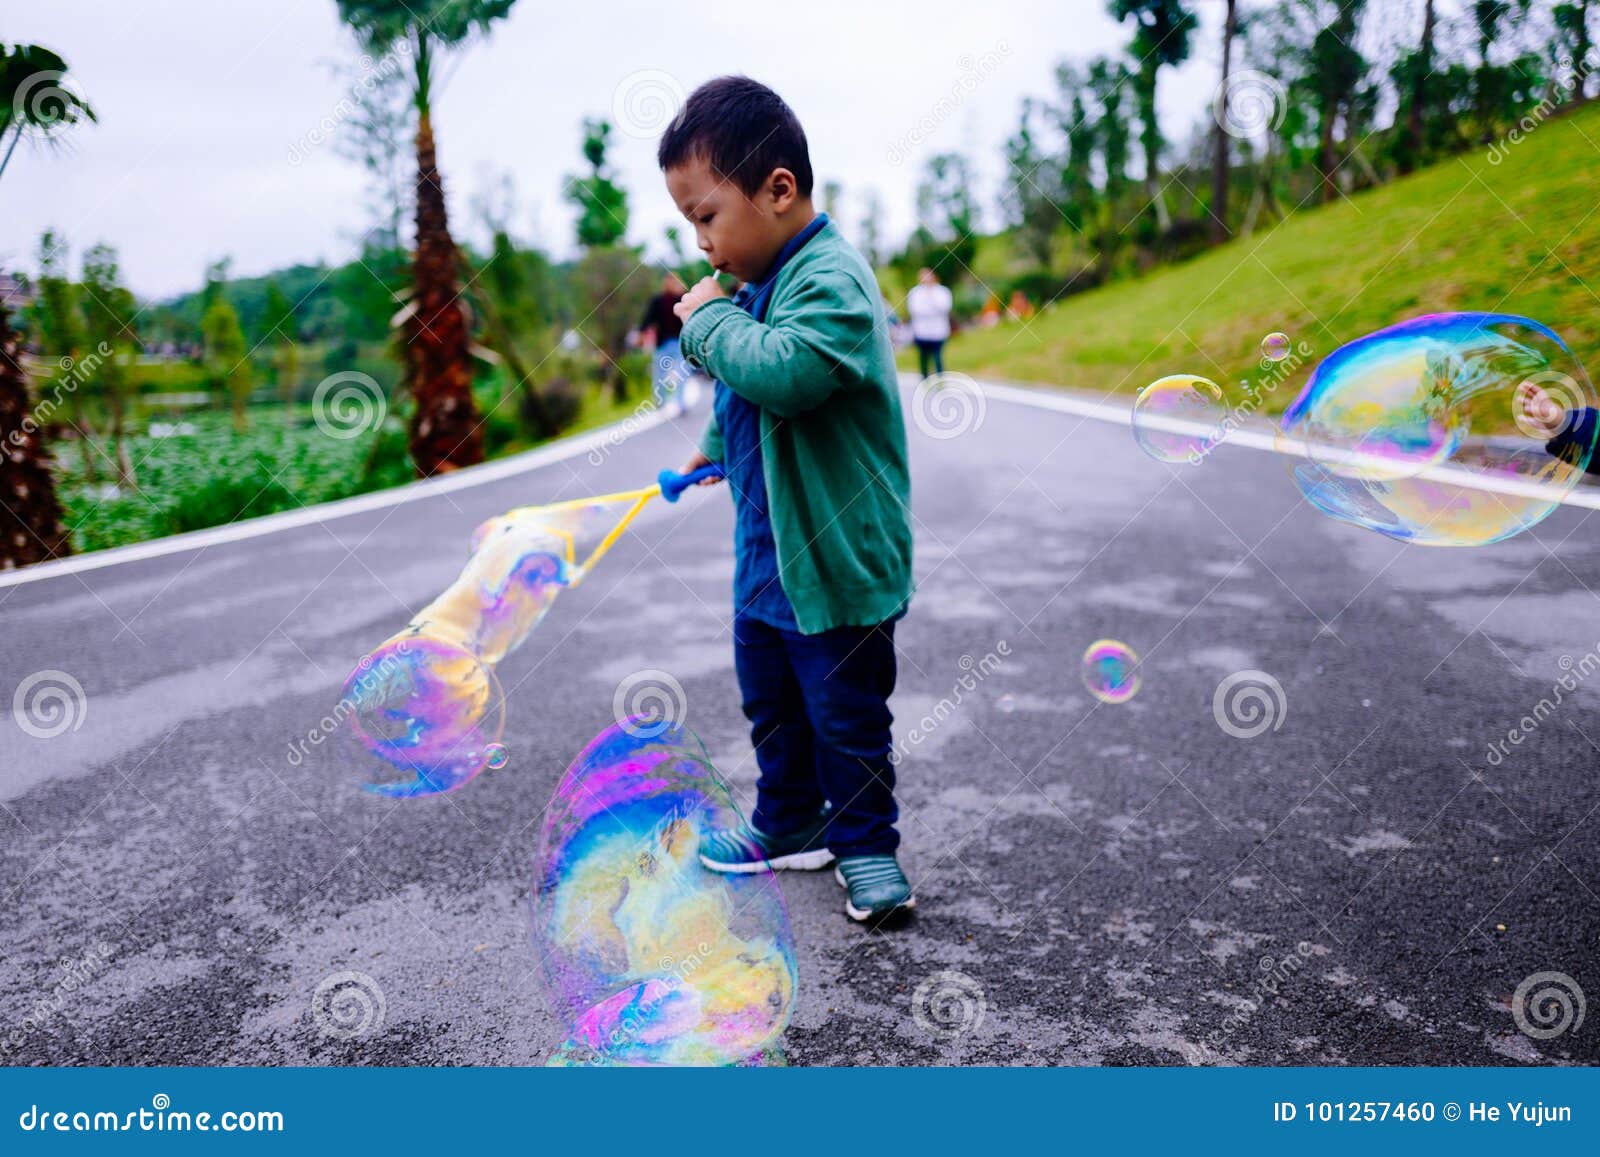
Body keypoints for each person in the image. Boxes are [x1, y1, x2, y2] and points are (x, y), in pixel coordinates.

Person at [658, 75, 916, 924]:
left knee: (845, 711)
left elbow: (790, 375)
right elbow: (747, 397)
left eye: (706, 215)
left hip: (835, 557)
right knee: (772, 701)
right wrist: (708, 450)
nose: (700, 241)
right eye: (690, 221)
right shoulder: (763, 283)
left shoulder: (830, 276)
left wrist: (704, 323)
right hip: (770, 554)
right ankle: (790, 816)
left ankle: (867, 844)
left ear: (778, 189)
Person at [638, 270, 691, 416]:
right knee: (660, 375)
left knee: (681, 373)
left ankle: (681, 404)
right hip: (663, 344)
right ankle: (660, 402)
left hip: (681, 342)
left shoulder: (683, 298)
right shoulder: (658, 300)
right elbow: (648, 319)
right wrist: (641, 335)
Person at [905, 266, 953, 379]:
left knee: (938, 356)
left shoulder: (942, 291)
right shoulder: (915, 292)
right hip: (921, 331)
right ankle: (924, 377)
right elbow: (915, 310)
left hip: (938, 331)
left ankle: (940, 376)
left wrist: (931, 296)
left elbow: (945, 307)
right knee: (923, 356)